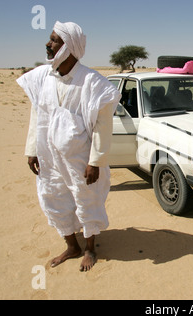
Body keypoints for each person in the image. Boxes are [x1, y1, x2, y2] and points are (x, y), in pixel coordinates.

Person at [17, 21, 121, 272]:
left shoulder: (93, 83)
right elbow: (37, 115)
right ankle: (72, 246)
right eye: (50, 39)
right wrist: (31, 148)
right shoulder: (43, 77)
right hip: (48, 155)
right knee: (53, 196)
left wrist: (95, 160)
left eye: (54, 40)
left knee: (86, 198)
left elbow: (102, 126)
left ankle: (89, 248)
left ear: (70, 47)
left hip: (79, 157)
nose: (48, 44)